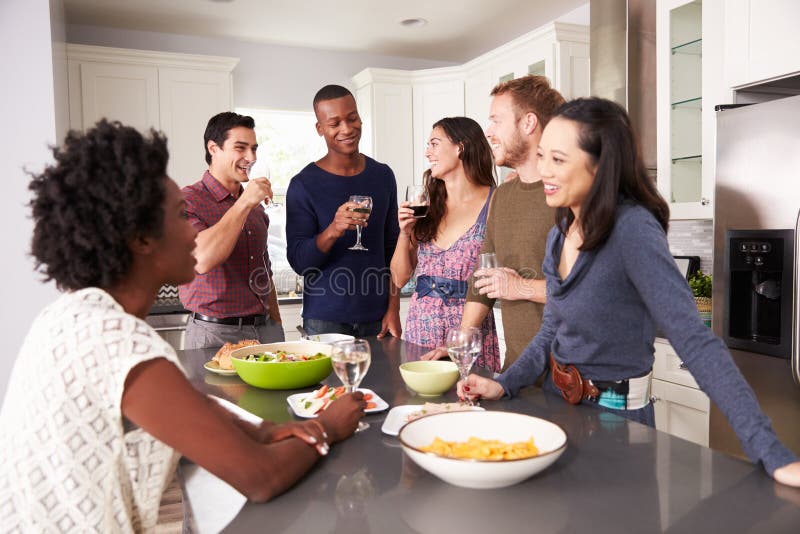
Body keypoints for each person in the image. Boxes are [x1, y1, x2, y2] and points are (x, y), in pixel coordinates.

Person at [0, 121, 367, 532]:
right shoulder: (115, 340)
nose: (192, 231)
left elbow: (196, 406)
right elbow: (261, 478)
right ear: (141, 238)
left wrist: (267, 429)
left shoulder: (74, 315)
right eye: (179, 216)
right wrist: (327, 427)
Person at [457, 97, 800, 487]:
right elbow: (552, 330)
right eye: (542, 156)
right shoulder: (560, 233)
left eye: (557, 159)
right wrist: (505, 383)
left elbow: (695, 341)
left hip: (615, 417)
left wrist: (771, 451)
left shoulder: (633, 230)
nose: (544, 171)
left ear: (600, 165)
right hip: (559, 408)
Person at [424, 75, 565, 370]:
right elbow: (482, 277)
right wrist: (459, 343)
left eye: (496, 121)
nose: (488, 132)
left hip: (571, 377)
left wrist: (521, 287)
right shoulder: (502, 196)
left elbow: (593, 292)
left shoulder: (569, 193)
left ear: (528, 123)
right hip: (519, 371)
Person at [286, 85, 401, 338]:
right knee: (329, 381)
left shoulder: (383, 176)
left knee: (383, 380)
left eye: (352, 118)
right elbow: (299, 262)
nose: (347, 129)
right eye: (334, 123)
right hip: (324, 321)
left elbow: (394, 250)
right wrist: (334, 229)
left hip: (379, 318)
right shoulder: (303, 184)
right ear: (320, 129)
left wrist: (394, 308)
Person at [390, 117, 500, 371]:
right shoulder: (427, 205)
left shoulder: (495, 201)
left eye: (434, 144)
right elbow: (399, 278)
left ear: (460, 147)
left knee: (470, 403)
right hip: (422, 327)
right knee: (423, 405)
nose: (428, 152)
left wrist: (461, 338)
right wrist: (404, 233)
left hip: (469, 330)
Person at [179, 111, 284, 350]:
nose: (251, 157)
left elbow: (264, 271)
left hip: (265, 330)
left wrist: (276, 322)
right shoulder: (188, 200)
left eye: (254, 148)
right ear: (213, 148)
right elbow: (201, 259)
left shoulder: (255, 207)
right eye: (241, 148)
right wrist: (244, 203)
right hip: (214, 334)